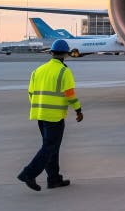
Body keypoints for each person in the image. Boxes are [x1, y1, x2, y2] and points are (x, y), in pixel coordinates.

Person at [17, 39, 83, 192]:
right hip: (55, 116)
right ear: (66, 54)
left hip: (40, 114)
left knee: (52, 147)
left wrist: (40, 106)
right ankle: (28, 173)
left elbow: (30, 93)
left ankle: (54, 179)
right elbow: (70, 94)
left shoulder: (38, 70)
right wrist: (78, 110)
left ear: (52, 53)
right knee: (49, 147)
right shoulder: (64, 71)